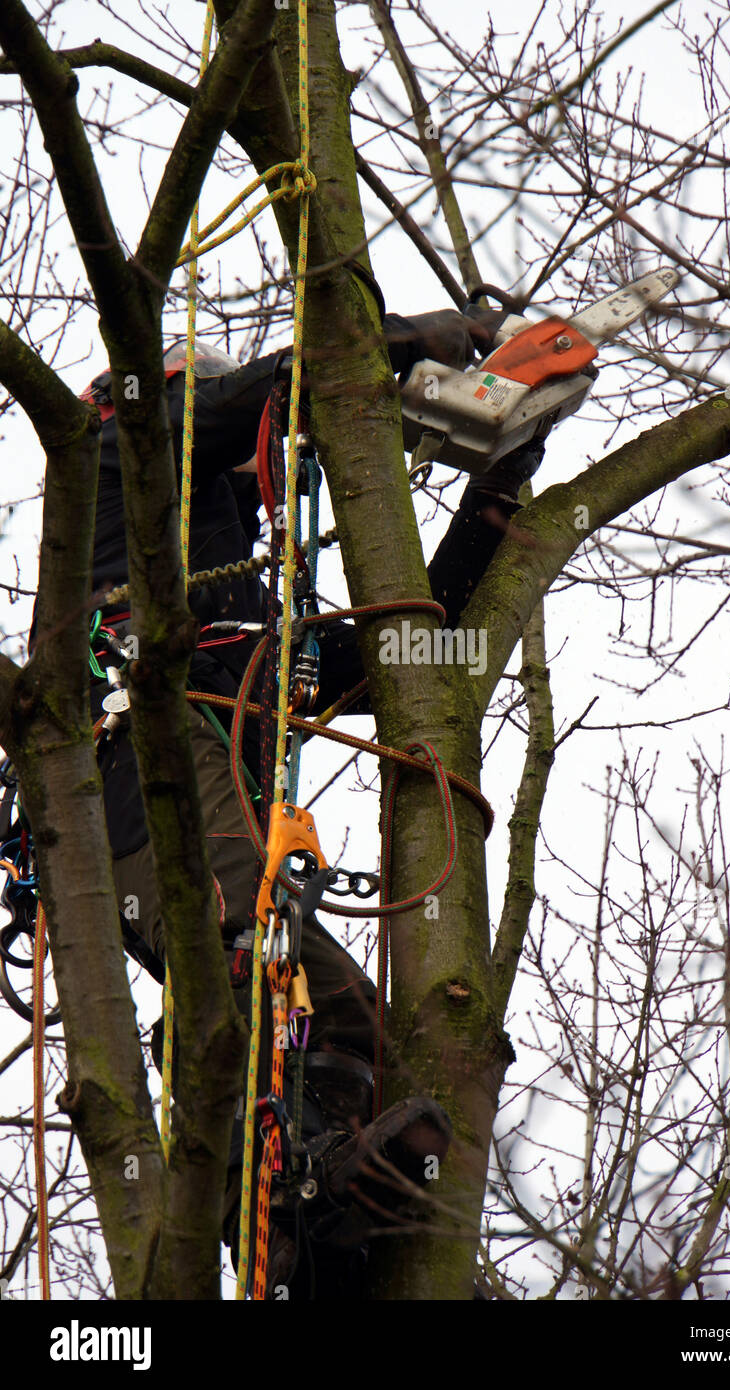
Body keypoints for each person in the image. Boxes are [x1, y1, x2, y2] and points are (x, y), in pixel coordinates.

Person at [54, 303, 547, 1295]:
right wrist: (404, 341)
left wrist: (497, 487)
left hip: (187, 809)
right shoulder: (117, 457)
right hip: (143, 787)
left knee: (350, 1016)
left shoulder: (248, 629)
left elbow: (408, 646)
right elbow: (227, 406)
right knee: (272, 973)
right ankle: (299, 1180)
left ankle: (319, 1229)